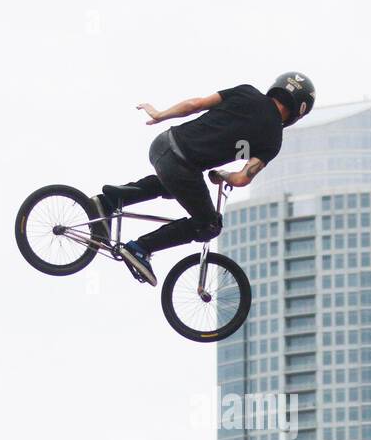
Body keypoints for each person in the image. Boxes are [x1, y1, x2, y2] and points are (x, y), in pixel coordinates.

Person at [93, 72, 315, 286]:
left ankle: (110, 200)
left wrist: (160, 114)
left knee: (176, 186)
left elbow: (195, 105)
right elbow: (241, 179)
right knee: (209, 225)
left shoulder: (247, 92)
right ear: (300, 111)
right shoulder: (273, 138)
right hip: (181, 166)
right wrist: (222, 175)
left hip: (162, 143)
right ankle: (140, 248)